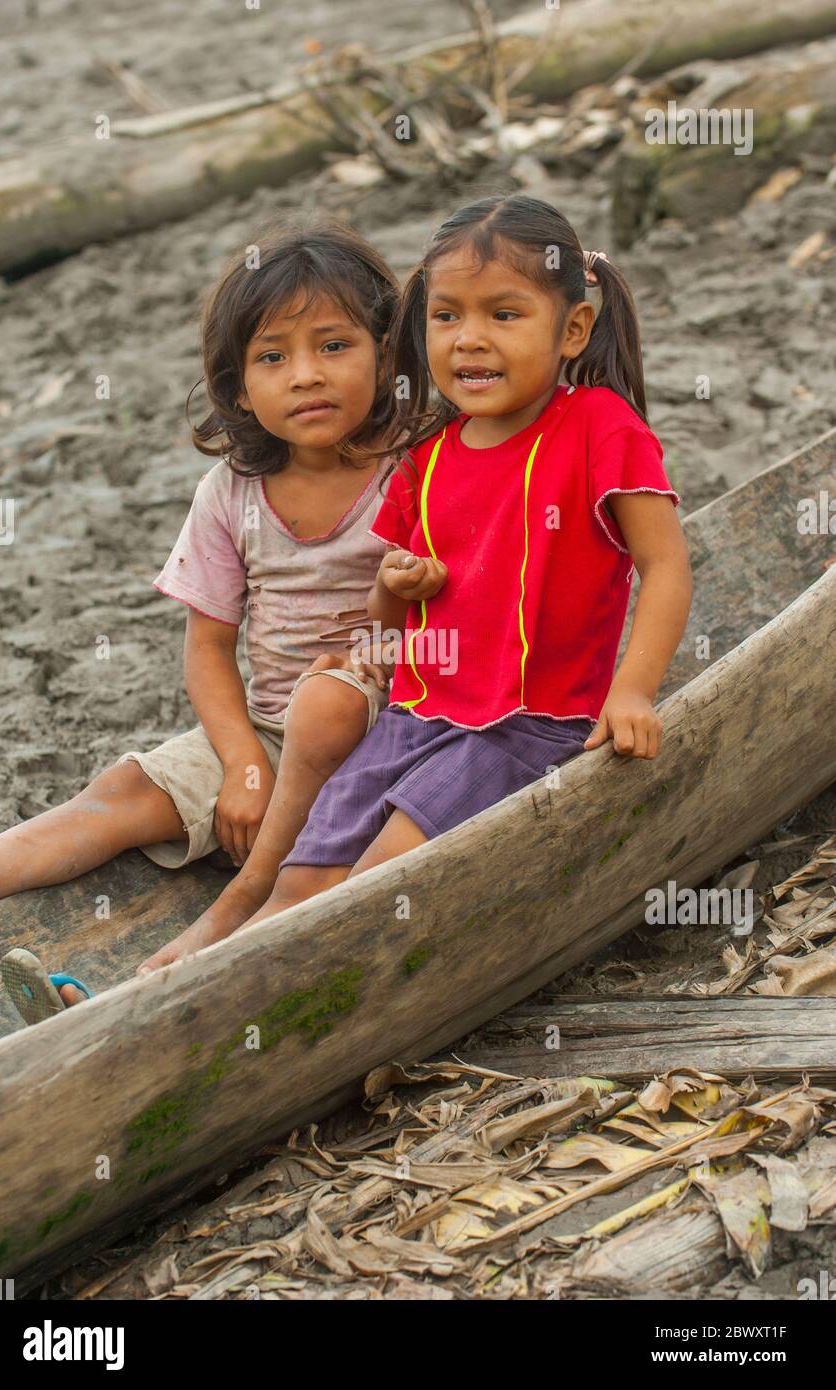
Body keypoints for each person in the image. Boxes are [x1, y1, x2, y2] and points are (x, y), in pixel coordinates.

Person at [233, 194, 694, 931]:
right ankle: (161, 1009)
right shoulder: (426, 458)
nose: (468, 340)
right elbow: (389, 627)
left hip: (524, 728)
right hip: (412, 719)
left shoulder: (599, 427)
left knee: (380, 880)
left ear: (572, 327)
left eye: (502, 315)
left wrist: (633, 692)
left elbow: (664, 564)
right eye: (446, 316)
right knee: (301, 885)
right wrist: (395, 584)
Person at [0, 222, 402, 1014]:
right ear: (239, 388)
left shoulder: (421, 469)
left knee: (329, 835)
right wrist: (242, 762)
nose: (306, 375)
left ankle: (160, 986)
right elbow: (208, 650)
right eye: (273, 357)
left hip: (391, 737)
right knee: (117, 792)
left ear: (386, 352)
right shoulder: (232, 493)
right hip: (271, 734)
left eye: (334, 345)